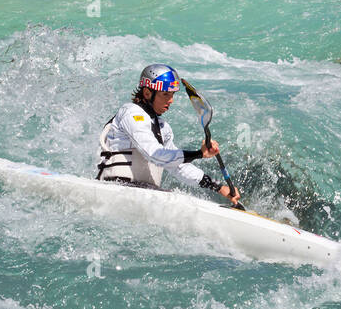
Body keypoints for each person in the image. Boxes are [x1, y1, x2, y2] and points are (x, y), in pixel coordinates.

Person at [96, 64, 241, 204]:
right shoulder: (131, 114)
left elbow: (178, 166)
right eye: (165, 94)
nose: (171, 100)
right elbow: (154, 154)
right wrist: (199, 154)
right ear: (147, 93)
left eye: (172, 94)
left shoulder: (163, 127)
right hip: (114, 188)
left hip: (142, 192)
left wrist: (217, 187)